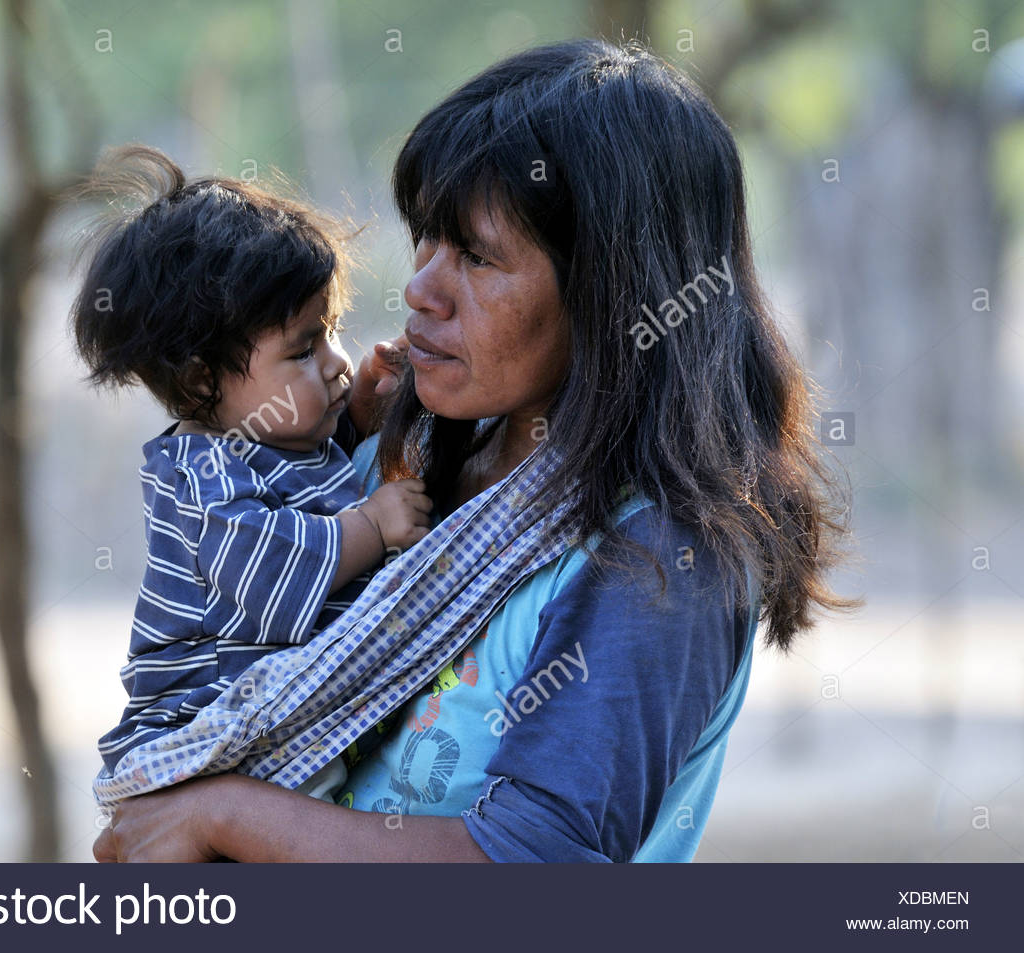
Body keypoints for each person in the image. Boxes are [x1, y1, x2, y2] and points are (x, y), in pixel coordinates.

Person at [93, 38, 855, 863]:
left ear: (612, 291)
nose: (421, 286)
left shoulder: (660, 557)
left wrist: (221, 817)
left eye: (479, 256)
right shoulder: (395, 462)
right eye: (426, 237)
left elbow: (535, 861)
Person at [70, 146, 433, 798]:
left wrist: (361, 406)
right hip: (202, 736)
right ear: (201, 380)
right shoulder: (202, 475)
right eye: (303, 348)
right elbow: (267, 566)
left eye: (333, 331)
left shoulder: (270, 437)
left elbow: (307, 476)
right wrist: (374, 527)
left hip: (263, 724)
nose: (335, 361)